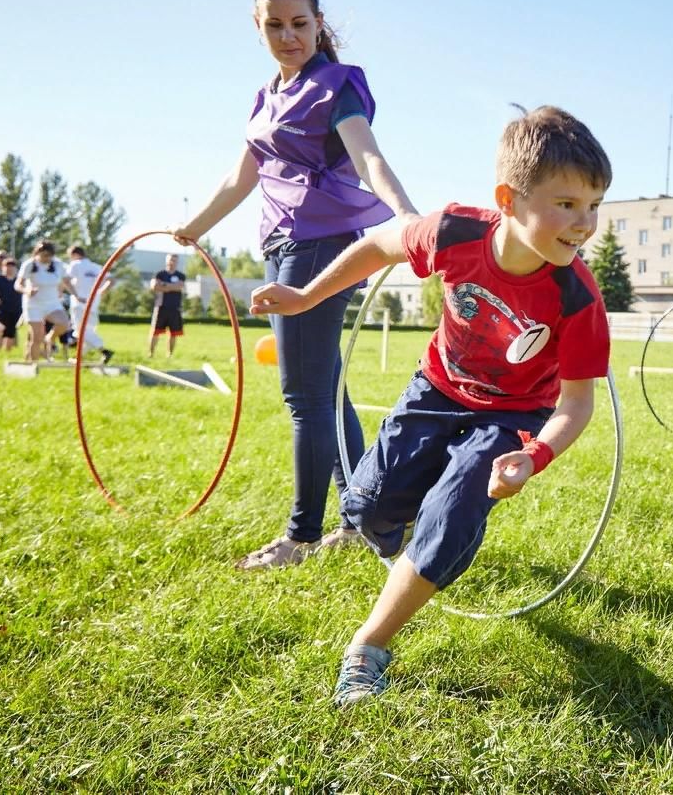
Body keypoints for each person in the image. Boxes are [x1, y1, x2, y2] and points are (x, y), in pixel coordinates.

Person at [250, 105, 612, 706]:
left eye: (595, 204)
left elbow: (576, 404)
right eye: (568, 204)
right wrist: (306, 296)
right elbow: (378, 244)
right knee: (365, 509)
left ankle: (369, 645)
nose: (585, 223)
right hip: (438, 389)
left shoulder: (577, 298)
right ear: (509, 199)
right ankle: (404, 536)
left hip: (513, 415)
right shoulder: (453, 233)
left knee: (455, 507)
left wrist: (535, 456)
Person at [170, 0, 418, 569]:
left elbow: (368, 159)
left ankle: (301, 537)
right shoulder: (265, 98)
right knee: (328, 395)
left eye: (300, 23)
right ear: (258, 29)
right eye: (275, 26)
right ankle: (362, 519)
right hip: (282, 246)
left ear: (318, 22)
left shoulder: (337, 86)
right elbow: (241, 177)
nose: (289, 36)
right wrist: (192, 229)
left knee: (305, 399)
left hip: (318, 249)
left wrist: (410, 217)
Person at [15, 241, 73, 362]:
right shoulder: (29, 265)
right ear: (37, 253)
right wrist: (27, 290)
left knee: (64, 323)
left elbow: (67, 282)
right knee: (36, 338)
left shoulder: (58, 265)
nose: (47, 258)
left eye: (49, 255)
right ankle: (32, 365)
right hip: (33, 305)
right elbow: (17, 285)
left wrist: (77, 296)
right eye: (44, 255)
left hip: (52, 303)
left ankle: (50, 339)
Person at [66, 246, 115, 365]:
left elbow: (65, 280)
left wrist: (75, 294)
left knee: (81, 331)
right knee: (87, 333)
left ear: (74, 255)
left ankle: (103, 350)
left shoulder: (75, 265)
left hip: (79, 303)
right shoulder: (95, 267)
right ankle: (78, 358)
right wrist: (101, 291)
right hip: (93, 304)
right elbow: (111, 280)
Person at [149, 254, 186, 357]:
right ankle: (151, 353)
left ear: (177, 262)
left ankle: (169, 354)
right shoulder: (159, 274)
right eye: (170, 260)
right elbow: (154, 286)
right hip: (161, 306)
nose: (172, 262)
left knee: (173, 333)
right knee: (155, 331)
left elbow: (180, 286)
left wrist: (164, 285)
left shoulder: (180, 275)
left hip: (175, 308)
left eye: (174, 260)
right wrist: (172, 287)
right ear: (166, 261)